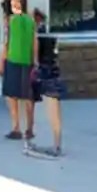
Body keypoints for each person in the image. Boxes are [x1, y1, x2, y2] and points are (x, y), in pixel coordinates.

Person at [0, 0, 37, 144]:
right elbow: (35, 41)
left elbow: (7, 43)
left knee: (12, 95)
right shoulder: (30, 19)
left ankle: (16, 127)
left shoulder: (10, 20)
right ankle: (29, 128)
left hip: (14, 59)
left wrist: (1, 62)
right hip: (26, 61)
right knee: (28, 96)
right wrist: (35, 61)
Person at [27, 8, 66, 158]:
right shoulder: (50, 33)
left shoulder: (38, 34)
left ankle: (55, 145)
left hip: (45, 72)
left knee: (49, 109)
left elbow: (35, 54)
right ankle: (57, 142)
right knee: (55, 109)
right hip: (54, 70)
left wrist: (35, 67)